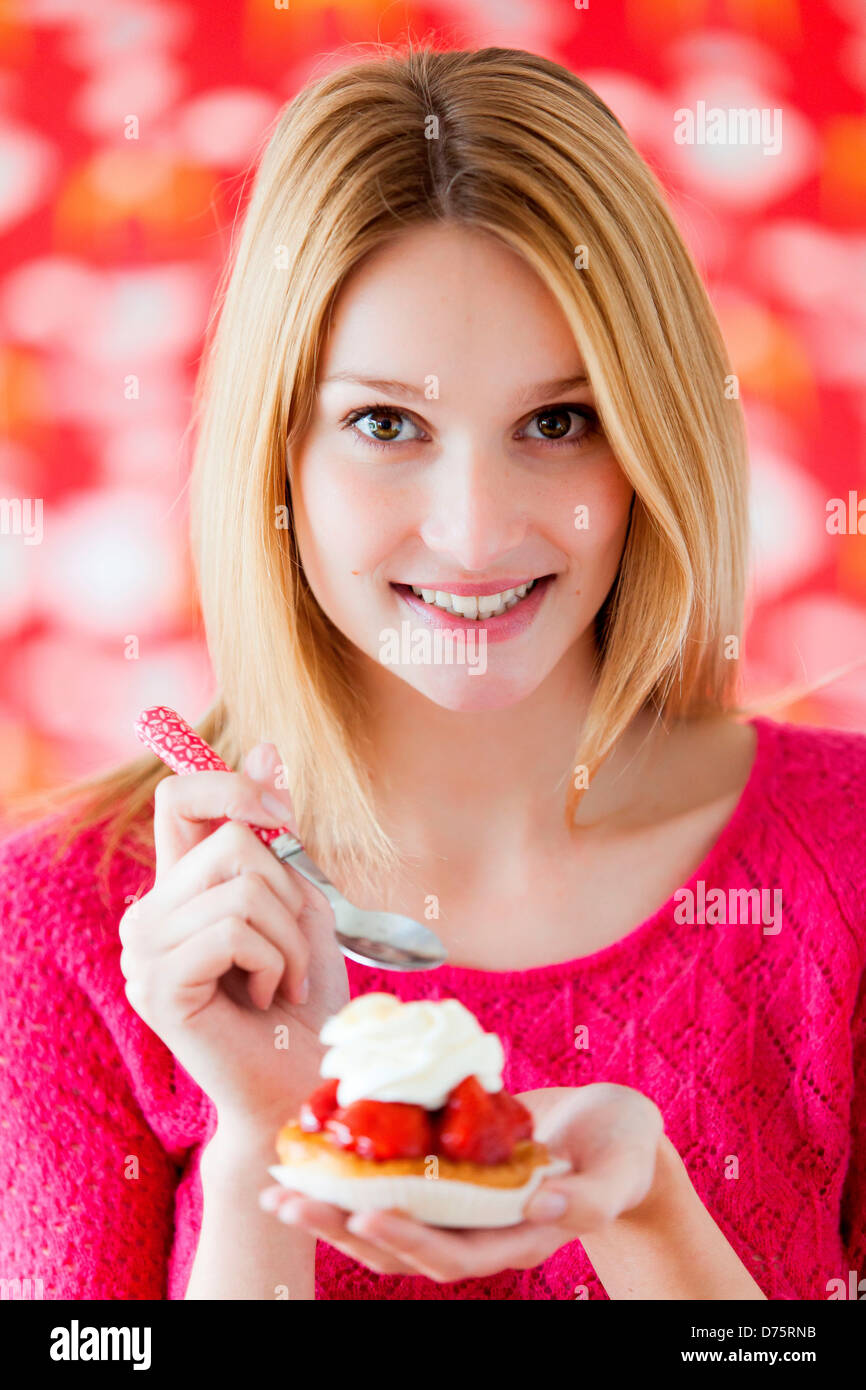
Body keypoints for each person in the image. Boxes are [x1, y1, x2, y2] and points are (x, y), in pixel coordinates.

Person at [1, 42, 863, 1302]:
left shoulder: (846, 862)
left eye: (556, 422)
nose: (472, 531)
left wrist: (646, 1218)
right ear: (277, 450)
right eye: (385, 424)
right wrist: (262, 1148)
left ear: (649, 439)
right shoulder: (61, 924)